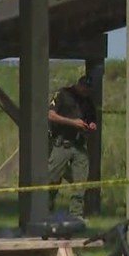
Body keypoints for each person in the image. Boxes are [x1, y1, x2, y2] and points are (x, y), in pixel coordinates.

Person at [47, 75, 98, 219]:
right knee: (52, 179)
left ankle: (76, 214)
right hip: (62, 144)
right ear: (78, 85)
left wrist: (91, 125)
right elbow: (51, 115)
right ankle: (46, 210)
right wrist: (72, 122)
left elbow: (92, 119)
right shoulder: (63, 94)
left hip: (79, 145)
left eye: (88, 89)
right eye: (84, 88)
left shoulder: (87, 101)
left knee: (80, 182)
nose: (86, 91)